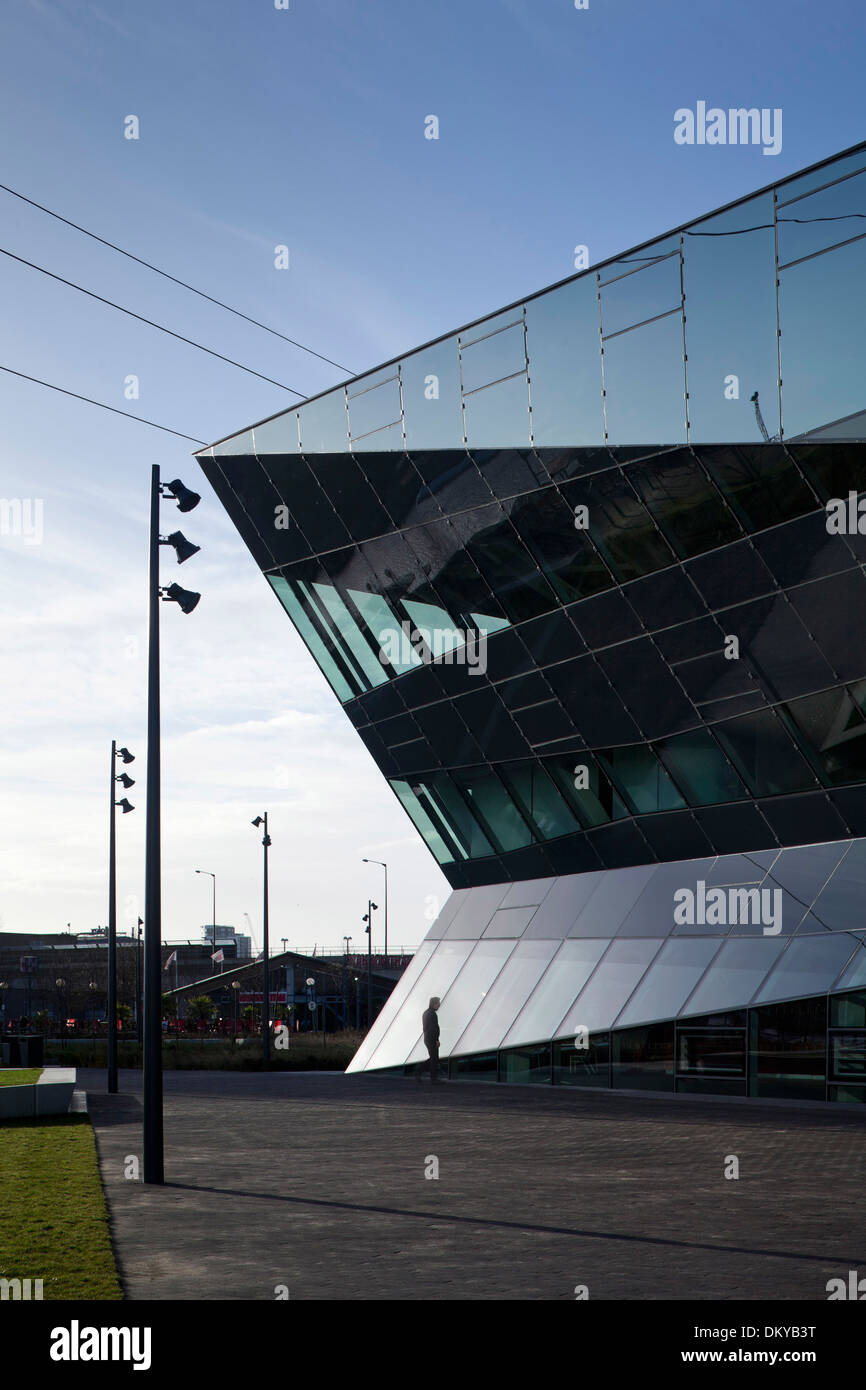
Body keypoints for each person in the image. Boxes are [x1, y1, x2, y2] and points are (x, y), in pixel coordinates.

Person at [417, 996, 445, 1084]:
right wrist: (436, 1039)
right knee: (434, 1059)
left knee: (433, 1058)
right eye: (438, 1003)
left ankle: (419, 1071)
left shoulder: (426, 1013)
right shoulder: (432, 1014)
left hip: (427, 1038)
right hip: (431, 1039)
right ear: (434, 1004)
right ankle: (433, 1079)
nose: (439, 1005)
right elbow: (434, 1028)